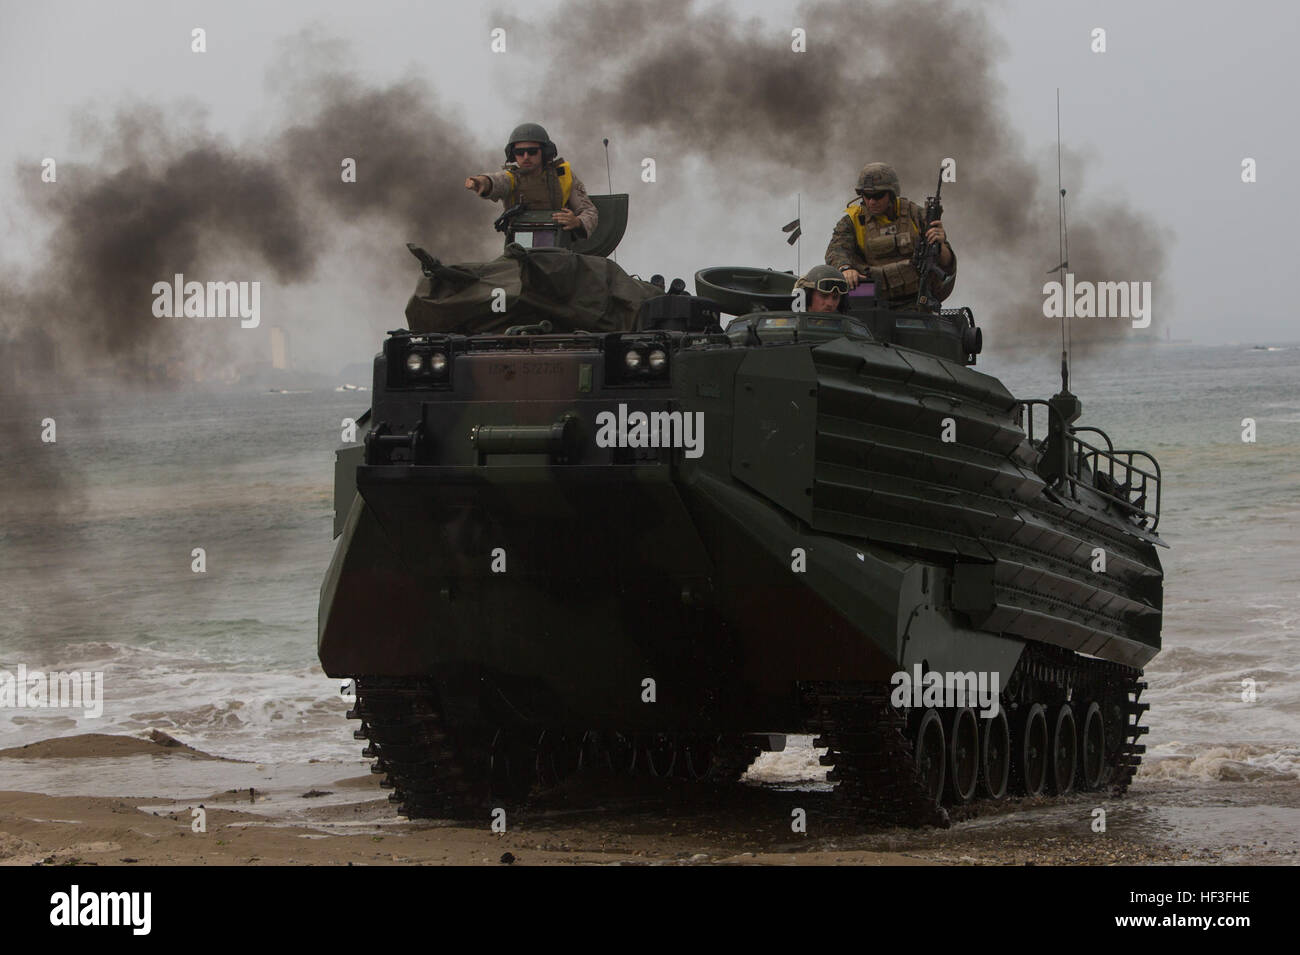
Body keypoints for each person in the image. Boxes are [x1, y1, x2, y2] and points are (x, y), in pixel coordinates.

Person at [824, 162, 955, 309]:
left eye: (878, 196)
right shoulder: (853, 220)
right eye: (867, 196)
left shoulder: (916, 215)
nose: (872, 202)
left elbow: (947, 264)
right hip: (868, 298)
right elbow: (836, 250)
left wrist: (940, 245)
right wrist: (845, 268)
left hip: (915, 298)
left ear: (891, 194)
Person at [464, 123, 598, 239]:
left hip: (558, 247)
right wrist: (481, 182)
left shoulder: (563, 176)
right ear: (513, 155)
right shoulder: (511, 178)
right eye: (520, 152)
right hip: (520, 248)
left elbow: (589, 211)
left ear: (545, 152)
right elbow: (497, 181)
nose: (526, 157)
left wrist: (577, 222)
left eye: (532, 151)